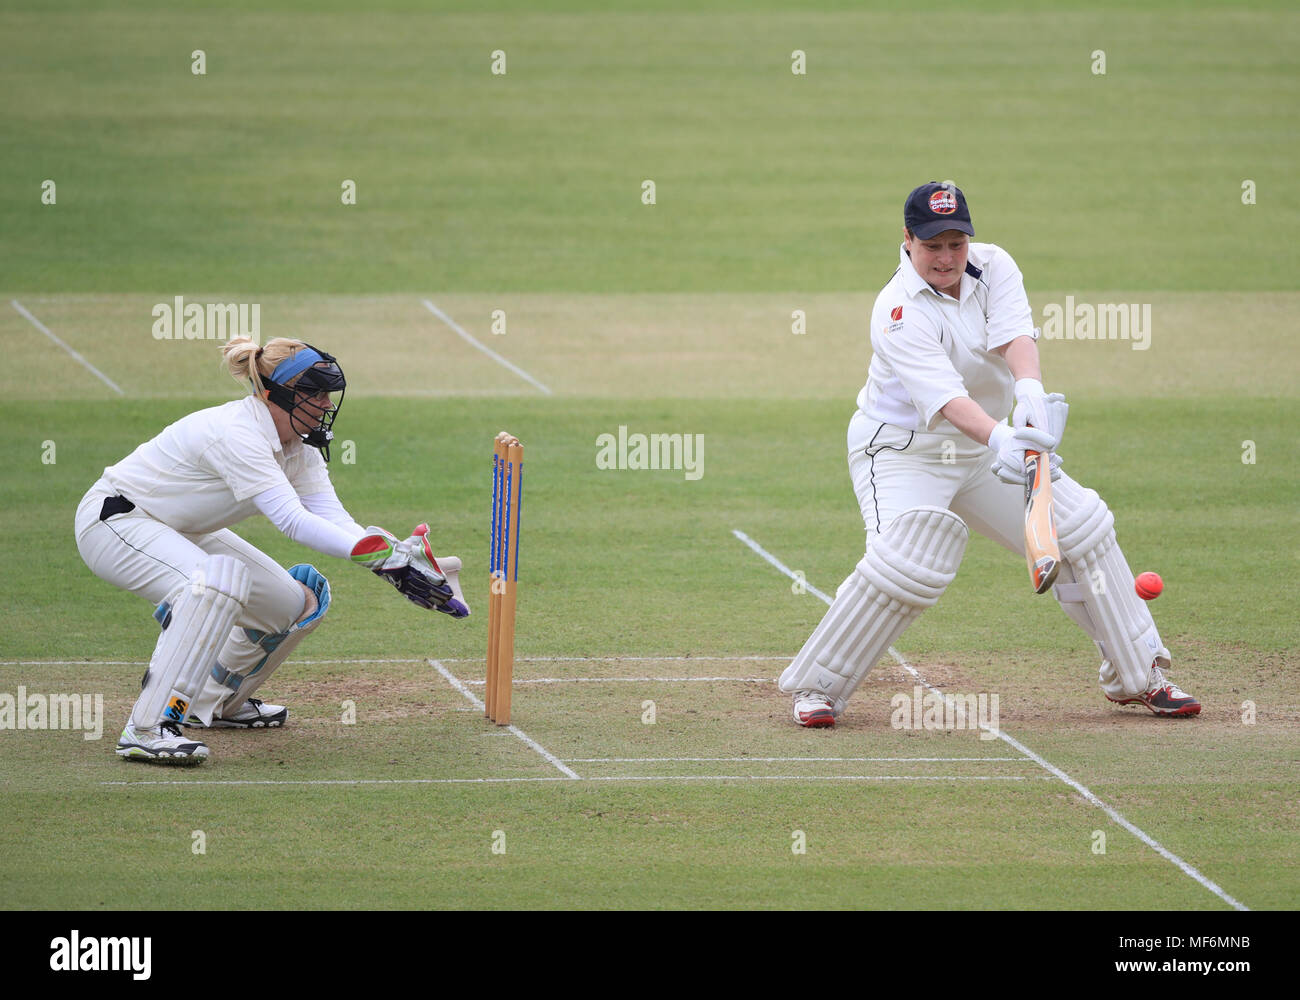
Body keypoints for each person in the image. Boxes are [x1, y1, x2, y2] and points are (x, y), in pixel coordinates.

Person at [779, 181, 1199, 727]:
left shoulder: (995, 266)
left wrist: (1028, 389)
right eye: (934, 246)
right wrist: (1003, 437)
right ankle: (816, 688)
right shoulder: (896, 311)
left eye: (957, 243)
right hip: (903, 451)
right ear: (907, 241)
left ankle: (1141, 676)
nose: (947, 258)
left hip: (984, 451)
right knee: (905, 564)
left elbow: (1015, 336)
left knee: (1083, 528)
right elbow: (948, 399)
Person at [74, 336, 470, 764]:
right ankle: (149, 726)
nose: (323, 403)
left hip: (178, 527)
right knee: (215, 584)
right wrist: (381, 559)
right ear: (272, 393)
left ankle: (214, 702)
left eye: (327, 393)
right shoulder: (237, 434)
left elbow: (336, 521)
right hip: (116, 522)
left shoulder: (300, 446)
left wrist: (394, 558)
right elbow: (292, 521)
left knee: (293, 602)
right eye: (312, 393)